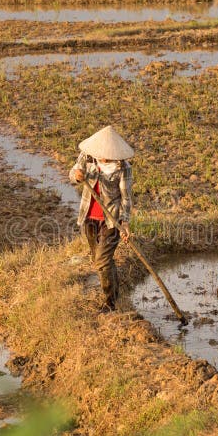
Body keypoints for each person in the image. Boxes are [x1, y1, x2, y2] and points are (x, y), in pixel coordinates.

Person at [69, 125, 134, 311]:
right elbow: (73, 174)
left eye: (108, 154)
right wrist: (77, 175)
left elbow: (126, 197)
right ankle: (115, 294)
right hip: (89, 216)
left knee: (102, 260)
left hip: (111, 220)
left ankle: (110, 303)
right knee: (99, 259)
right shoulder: (88, 156)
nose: (104, 157)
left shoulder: (123, 168)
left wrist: (125, 222)